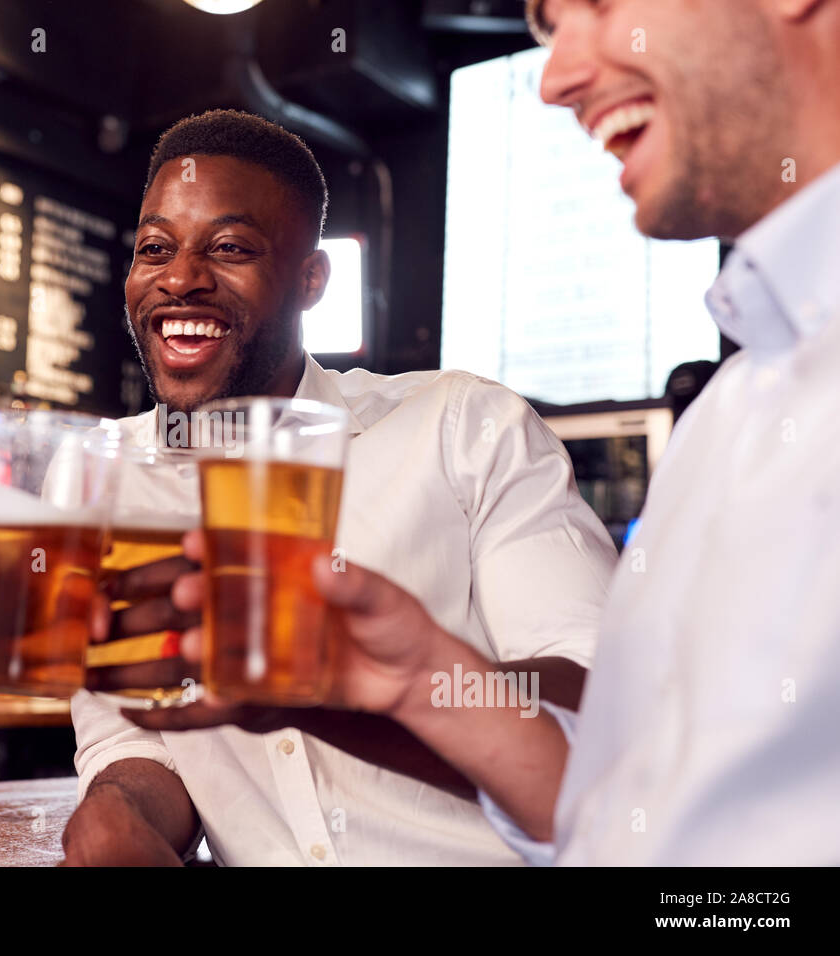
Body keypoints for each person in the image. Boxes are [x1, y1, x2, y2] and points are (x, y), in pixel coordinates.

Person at [136, 0, 840, 865]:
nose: (554, 78)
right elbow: (645, 815)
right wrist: (395, 682)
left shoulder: (466, 425)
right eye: (544, 26)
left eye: (596, 4)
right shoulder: (736, 413)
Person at [61, 110, 620, 866]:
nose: (181, 276)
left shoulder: (463, 426)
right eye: (154, 248)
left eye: (229, 248)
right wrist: (118, 815)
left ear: (311, 279)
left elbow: (594, 694)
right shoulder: (101, 479)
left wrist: (349, 688)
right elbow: (139, 743)